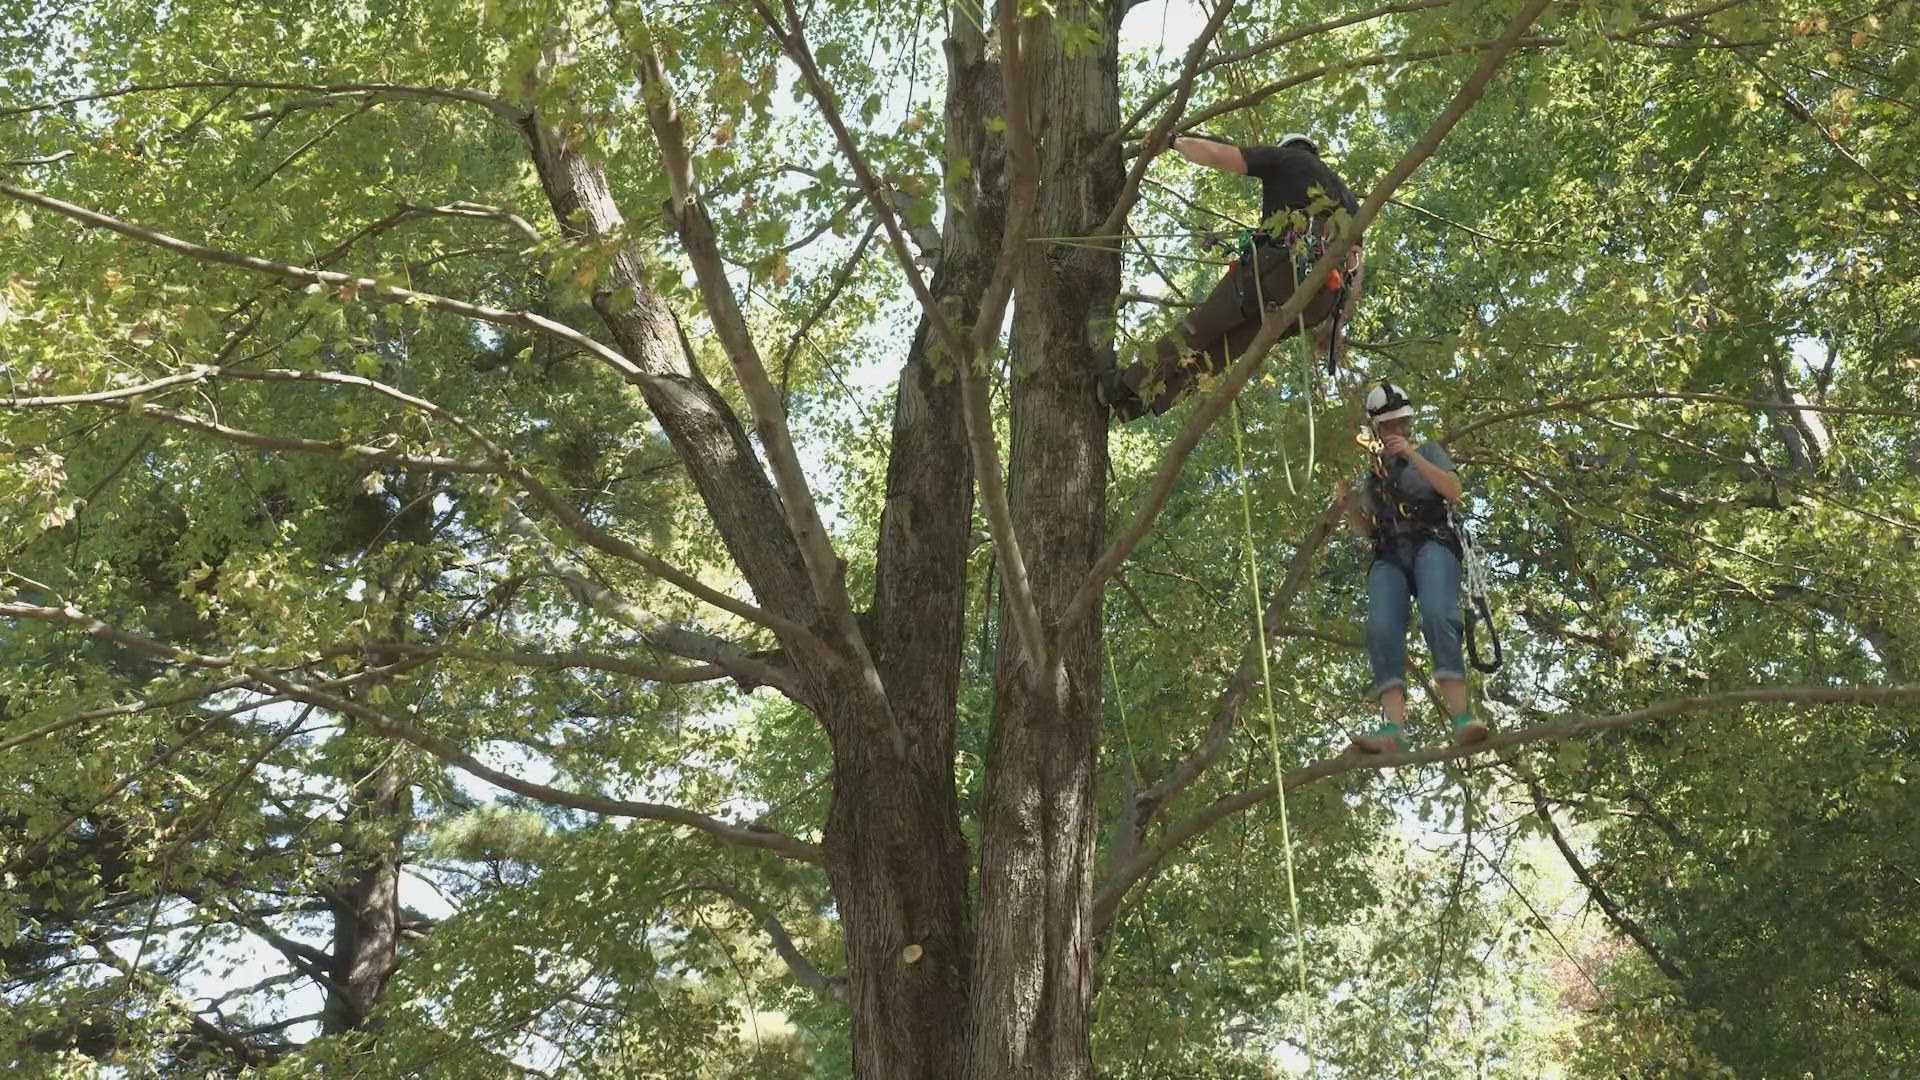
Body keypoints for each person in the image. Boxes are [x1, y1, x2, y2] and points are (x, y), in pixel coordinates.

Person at [1097, 131, 1365, 421]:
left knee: (1199, 328)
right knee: (1221, 353)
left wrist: (1173, 141)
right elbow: (1356, 271)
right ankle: (1143, 402)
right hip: (1315, 304)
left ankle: (1123, 386)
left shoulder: (1288, 158)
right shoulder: (1348, 201)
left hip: (1277, 270)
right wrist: (1336, 326)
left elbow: (1219, 156)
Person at [1332, 382, 1490, 753]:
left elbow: (1453, 491)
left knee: (1438, 613)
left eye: (1401, 422)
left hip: (1432, 541)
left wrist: (1413, 456)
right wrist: (1348, 505)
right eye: (1389, 426)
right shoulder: (1372, 475)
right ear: (1376, 430)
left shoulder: (1429, 451)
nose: (1397, 431)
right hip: (1390, 553)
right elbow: (1365, 531)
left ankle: (1461, 717)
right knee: (1381, 627)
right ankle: (1393, 728)